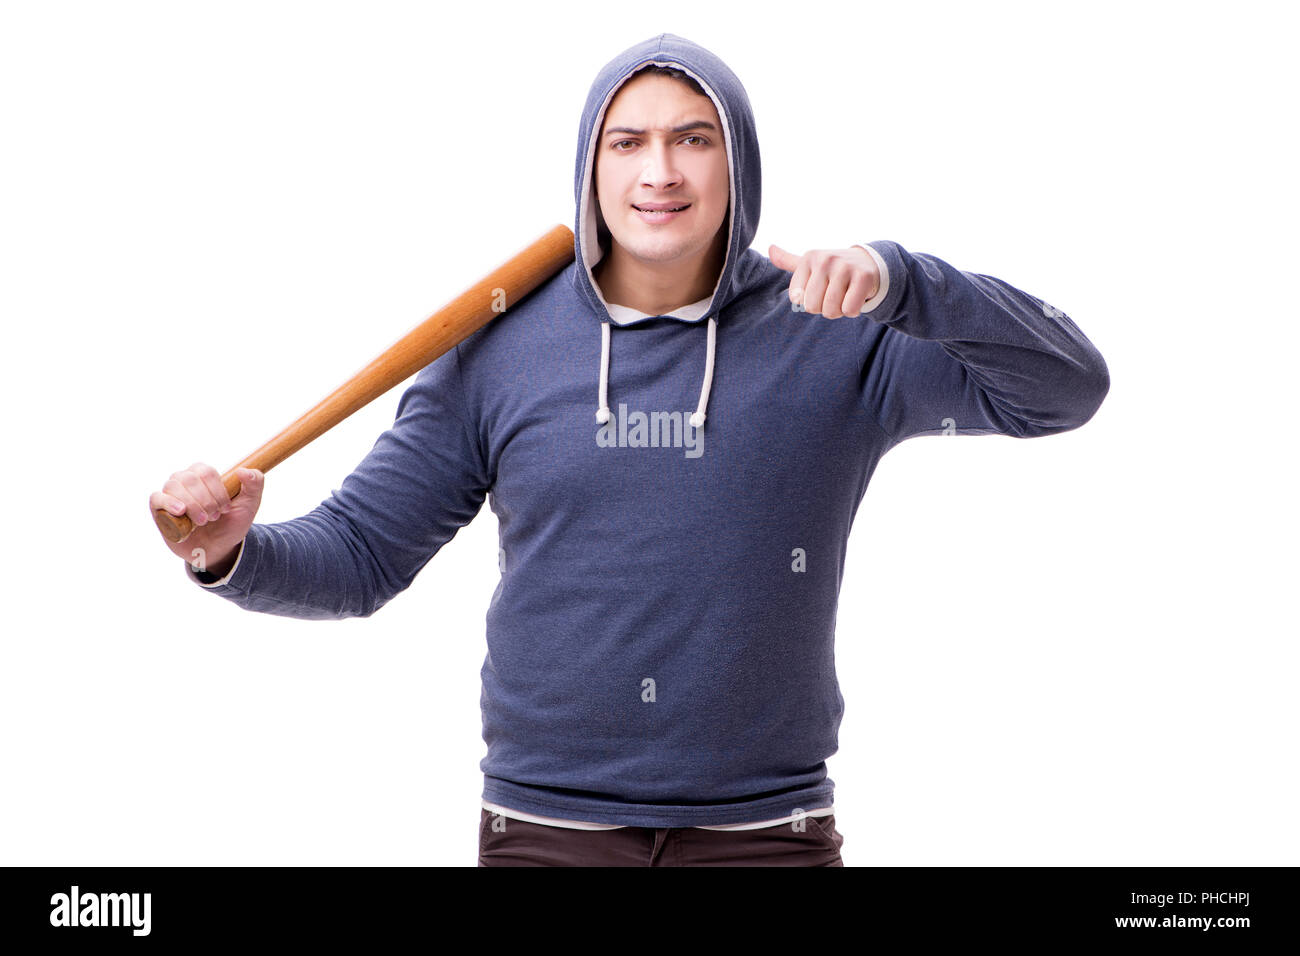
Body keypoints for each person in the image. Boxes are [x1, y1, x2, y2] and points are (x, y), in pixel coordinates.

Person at [150, 33, 1110, 866]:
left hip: (770, 836)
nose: (661, 172)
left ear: (740, 167)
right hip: (543, 833)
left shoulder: (840, 330)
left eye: (695, 140)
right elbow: (360, 560)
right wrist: (229, 551)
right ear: (591, 165)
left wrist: (907, 281)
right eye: (630, 143)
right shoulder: (494, 349)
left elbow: (1063, 389)